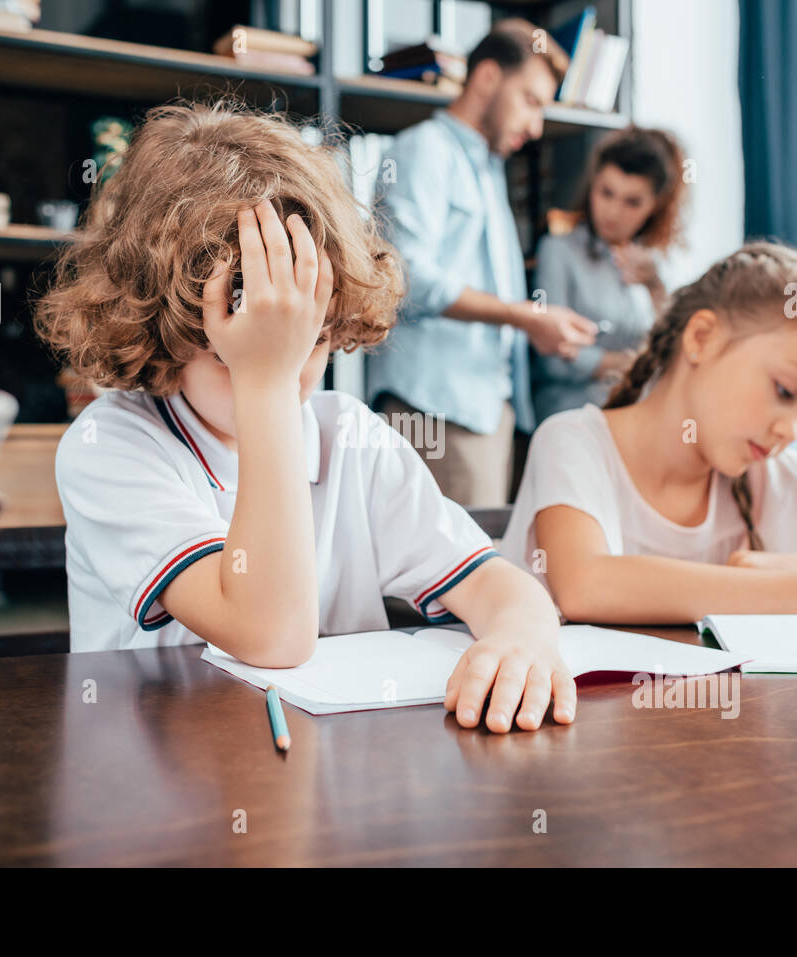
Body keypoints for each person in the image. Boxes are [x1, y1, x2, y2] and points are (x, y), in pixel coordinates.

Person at [36, 101, 576, 733]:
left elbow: (496, 584)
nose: (288, 377)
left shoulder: (350, 435)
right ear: (160, 335)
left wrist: (522, 637)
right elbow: (271, 634)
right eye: (237, 354)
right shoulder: (110, 445)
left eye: (308, 341)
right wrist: (262, 382)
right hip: (166, 795)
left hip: (328, 781)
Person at [500, 242, 797, 623]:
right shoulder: (573, 441)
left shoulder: (765, 474)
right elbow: (587, 585)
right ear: (702, 338)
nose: (791, 431)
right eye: (784, 390)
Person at [366, 19, 598, 506]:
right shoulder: (424, 150)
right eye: (530, 101)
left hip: (489, 410)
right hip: (438, 409)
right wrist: (524, 316)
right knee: (450, 579)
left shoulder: (488, 167)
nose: (536, 127)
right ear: (487, 77)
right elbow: (405, 277)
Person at [532, 126, 689, 423]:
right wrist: (630, 363)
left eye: (632, 202)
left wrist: (655, 287)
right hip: (573, 416)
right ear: (591, 186)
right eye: (606, 193)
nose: (613, 212)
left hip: (639, 418)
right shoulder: (559, 251)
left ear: (655, 206)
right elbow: (553, 360)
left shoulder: (657, 266)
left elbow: (675, 354)